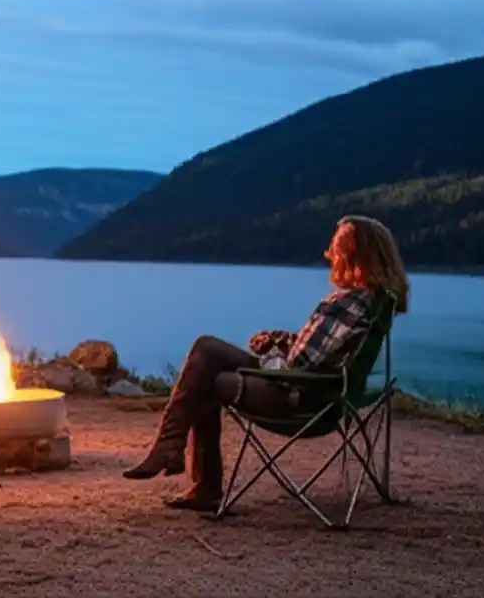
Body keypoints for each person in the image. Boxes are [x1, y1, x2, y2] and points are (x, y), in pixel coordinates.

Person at [122, 215, 410, 512]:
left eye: (336, 251)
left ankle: (187, 466)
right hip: (328, 394)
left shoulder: (348, 302)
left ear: (352, 256)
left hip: (298, 398)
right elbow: (324, 353)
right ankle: (175, 453)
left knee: (207, 366)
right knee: (206, 352)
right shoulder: (376, 301)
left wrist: (270, 357)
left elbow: (298, 366)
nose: (331, 258)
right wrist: (280, 341)